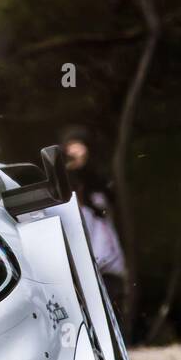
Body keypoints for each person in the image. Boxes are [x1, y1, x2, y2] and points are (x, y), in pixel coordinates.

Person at [59, 126, 128, 326]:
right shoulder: (63, 184)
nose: (76, 154)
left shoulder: (98, 182)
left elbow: (106, 206)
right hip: (80, 256)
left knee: (112, 300)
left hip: (106, 256)